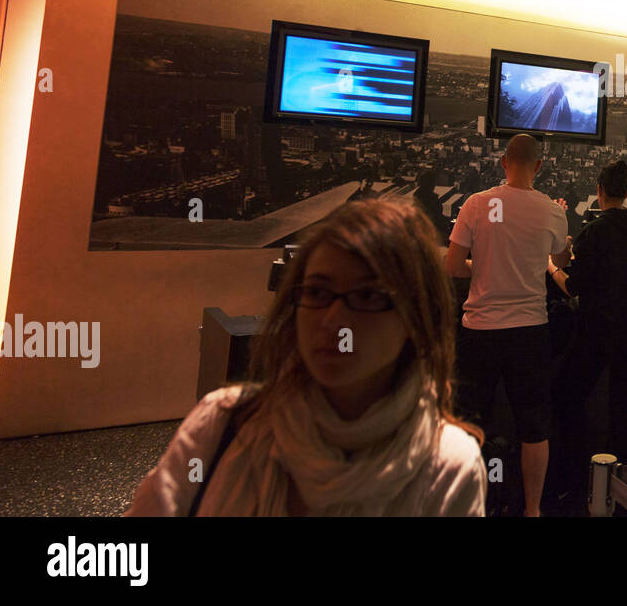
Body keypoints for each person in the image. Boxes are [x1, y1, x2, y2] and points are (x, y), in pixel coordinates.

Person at [127, 200, 486, 516]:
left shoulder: (450, 467)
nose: (332, 320)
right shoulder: (221, 423)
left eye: (366, 296)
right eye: (316, 292)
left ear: (417, 318)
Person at [445, 133, 572, 517]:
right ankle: (532, 510)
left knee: (468, 422)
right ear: (538, 166)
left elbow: (453, 266)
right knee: (535, 426)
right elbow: (561, 261)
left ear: (503, 161)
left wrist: (482, 267)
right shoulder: (551, 210)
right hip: (530, 331)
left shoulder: (477, 204)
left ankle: (466, 506)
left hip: (479, 330)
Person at [548, 160, 627, 489]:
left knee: (568, 393)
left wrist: (553, 266)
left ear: (600, 192)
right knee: (626, 402)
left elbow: (573, 286)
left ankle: (572, 469)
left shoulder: (593, 232)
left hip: (596, 329)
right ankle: (623, 475)